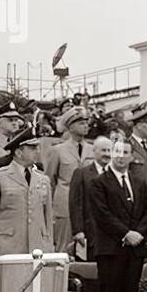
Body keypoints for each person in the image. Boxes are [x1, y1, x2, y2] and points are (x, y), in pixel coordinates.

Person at [87, 137, 147, 292]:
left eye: (125, 152)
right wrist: (125, 233)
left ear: (132, 157)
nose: (120, 155)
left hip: (134, 250)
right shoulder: (99, 182)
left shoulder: (139, 182)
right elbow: (102, 214)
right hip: (110, 248)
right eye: (117, 151)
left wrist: (137, 234)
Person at [0, 130, 53, 255]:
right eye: (32, 148)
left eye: (37, 147)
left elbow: (47, 219)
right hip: (8, 247)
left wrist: (49, 247)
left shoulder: (43, 179)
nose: (37, 151)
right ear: (19, 152)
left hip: (37, 248)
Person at [44, 106, 92, 254]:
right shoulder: (58, 150)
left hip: (89, 204)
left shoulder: (92, 149)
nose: (85, 126)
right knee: (63, 247)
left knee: (87, 249)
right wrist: (49, 210)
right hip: (64, 205)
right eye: (80, 123)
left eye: (86, 123)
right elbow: (49, 180)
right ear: (70, 127)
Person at [68, 135, 113, 262]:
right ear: (94, 152)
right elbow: (75, 204)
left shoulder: (116, 174)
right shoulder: (81, 173)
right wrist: (78, 230)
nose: (107, 154)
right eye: (103, 150)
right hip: (89, 233)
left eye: (109, 151)